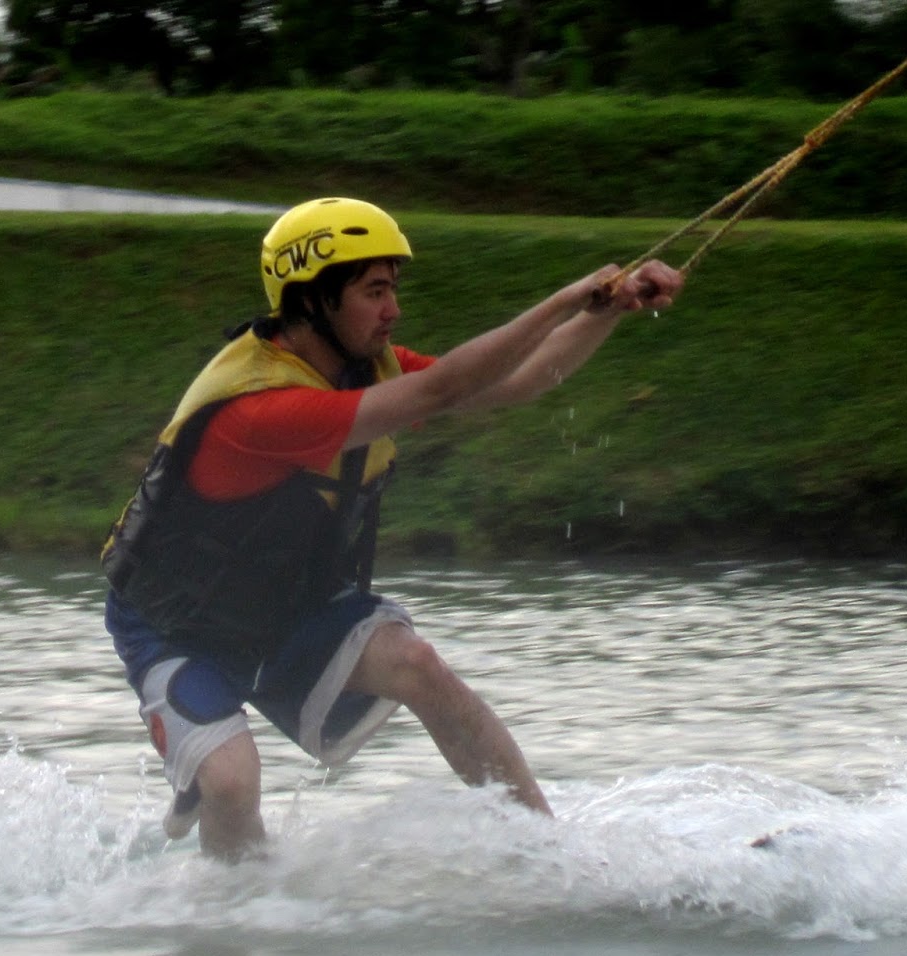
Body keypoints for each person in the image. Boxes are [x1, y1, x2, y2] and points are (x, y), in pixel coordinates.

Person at [101, 197, 682, 860]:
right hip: (178, 627)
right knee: (233, 782)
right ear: (313, 299)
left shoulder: (357, 367)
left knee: (418, 664)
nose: (393, 309)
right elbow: (442, 393)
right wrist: (563, 300)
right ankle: (232, 913)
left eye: (393, 290)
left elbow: (519, 381)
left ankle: (551, 854)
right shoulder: (264, 407)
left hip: (282, 610)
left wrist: (600, 312)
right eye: (375, 291)